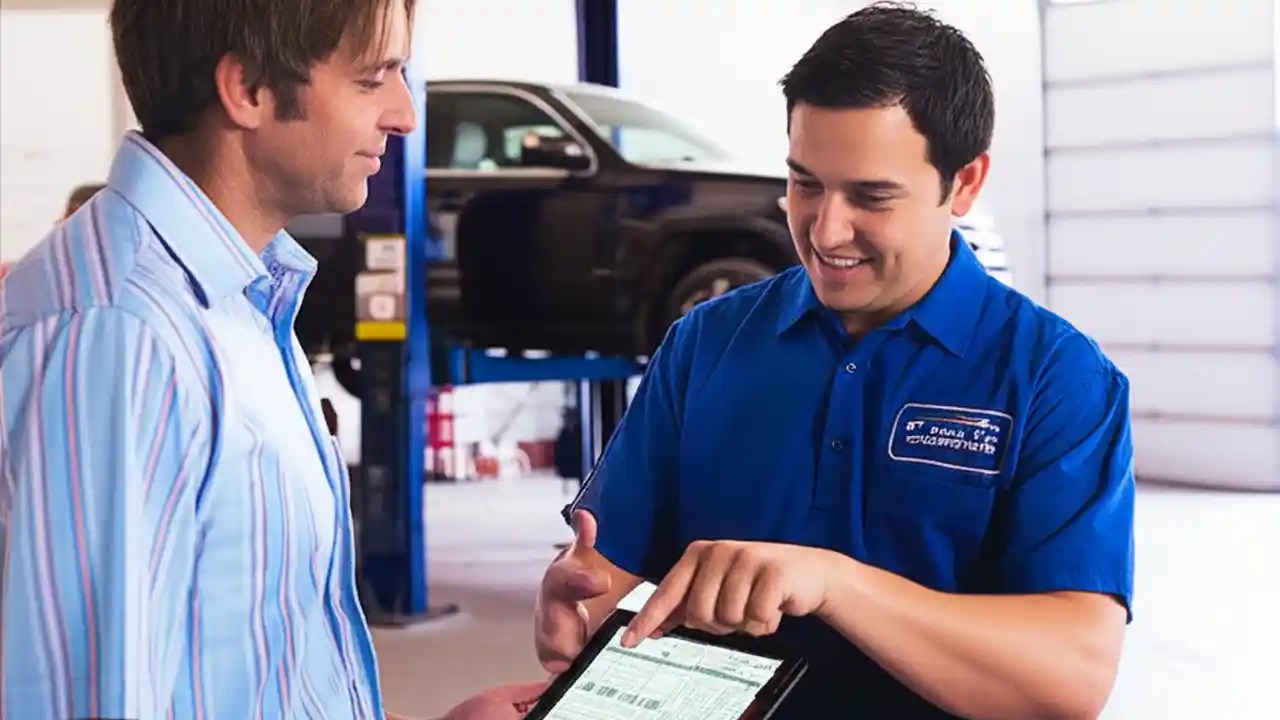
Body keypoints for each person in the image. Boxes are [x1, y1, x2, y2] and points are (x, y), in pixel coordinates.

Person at [535, 4, 1135, 719]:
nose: (825, 229)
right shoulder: (706, 344)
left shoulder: (1054, 379)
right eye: (805, 183)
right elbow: (608, 571)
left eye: (871, 197)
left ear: (966, 182)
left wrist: (834, 584)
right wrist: (576, 598)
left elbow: (1068, 681)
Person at [0, 1, 542, 718]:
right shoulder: (120, 334)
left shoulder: (240, 299)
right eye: (372, 78)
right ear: (249, 89)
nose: (405, 114)